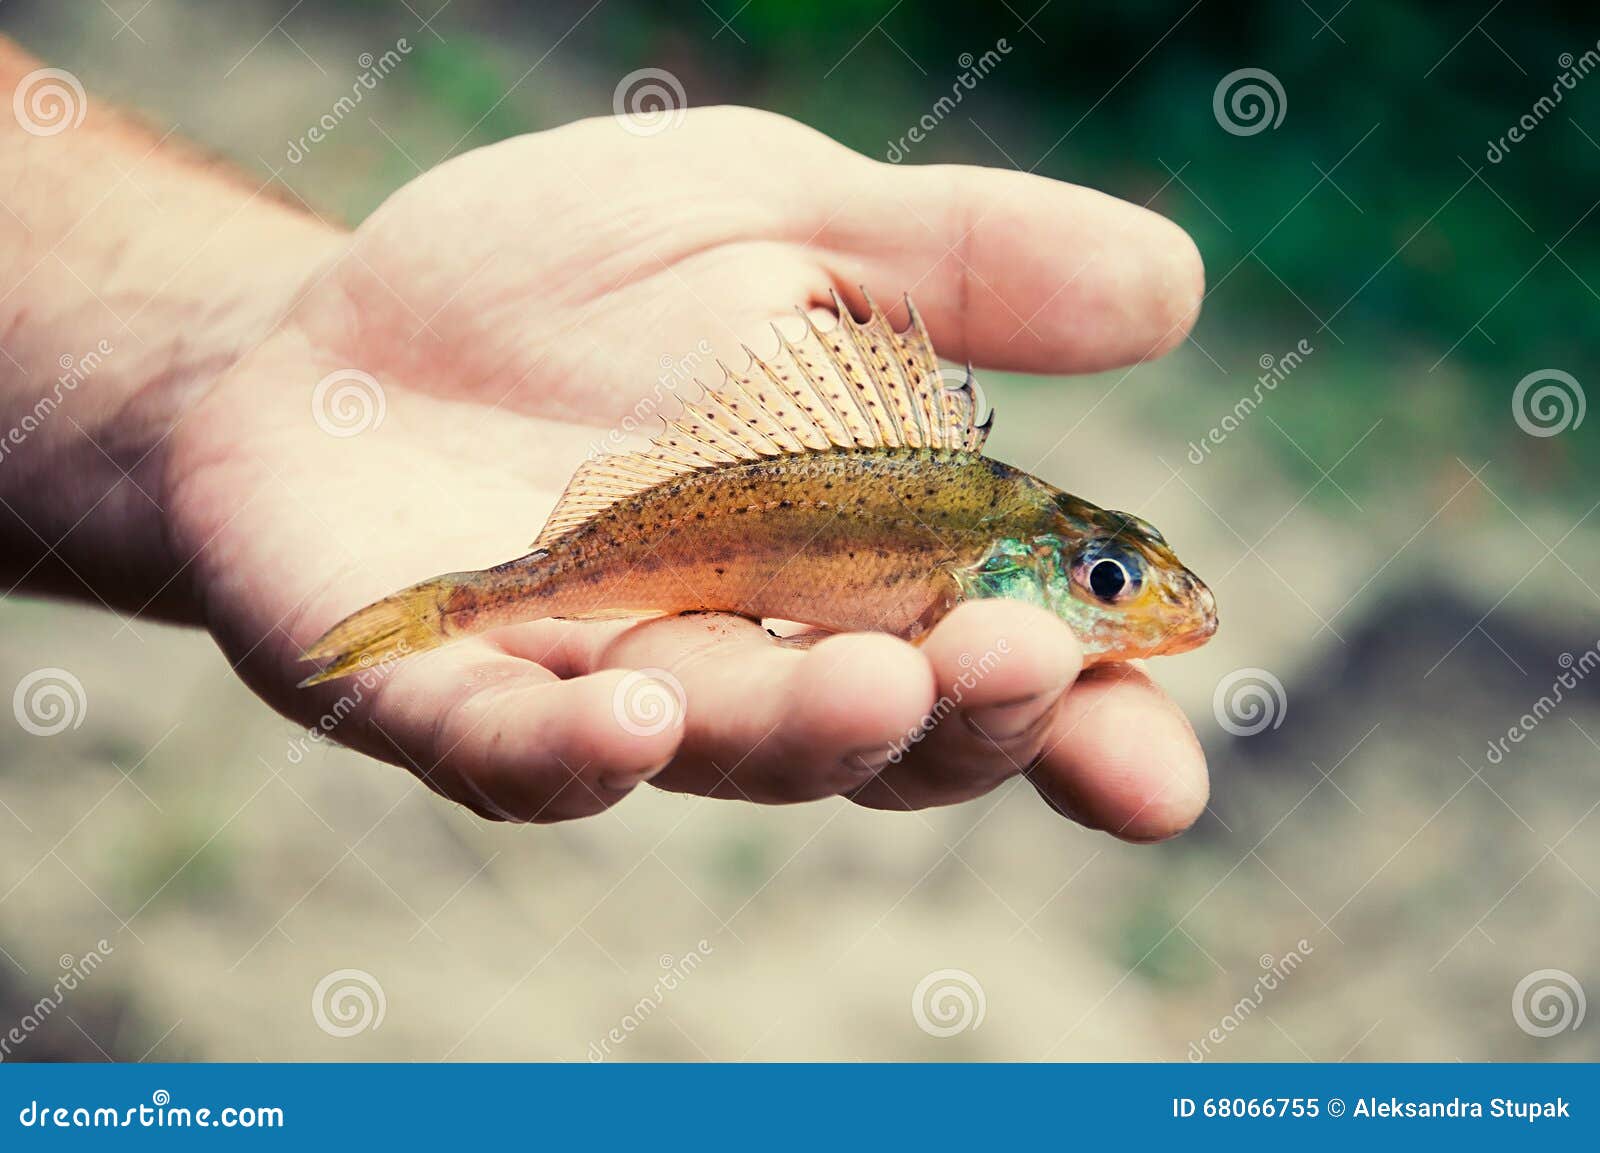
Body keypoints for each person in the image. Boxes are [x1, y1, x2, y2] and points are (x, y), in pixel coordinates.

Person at [0, 38, 1209, 834]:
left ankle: (467, 599)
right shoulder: (954, 526)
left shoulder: (974, 532)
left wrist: (232, 350)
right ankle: (461, 602)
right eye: (1109, 579)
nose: (1134, 599)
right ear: (1012, 564)